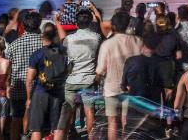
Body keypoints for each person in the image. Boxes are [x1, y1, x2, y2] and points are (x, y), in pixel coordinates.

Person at [97, 12, 144, 140]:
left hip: (112, 87)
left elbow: (100, 70)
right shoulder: (138, 41)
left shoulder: (107, 44)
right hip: (132, 87)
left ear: (113, 26)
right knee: (126, 121)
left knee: (112, 122)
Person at [59, 8, 102, 138]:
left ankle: (66, 135)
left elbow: (66, 59)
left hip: (72, 80)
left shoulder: (69, 39)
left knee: (68, 111)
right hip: (89, 80)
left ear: (76, 24)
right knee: (90, 112)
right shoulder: (96, 37)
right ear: (90, 23)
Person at [25, 22, 68, 140]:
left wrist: (29, 98)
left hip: (41, 92)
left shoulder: (37, 54)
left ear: (42, 36)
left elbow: (29, 80)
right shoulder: (63, 51)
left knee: (36, 128)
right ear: (55, 35)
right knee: (58, 127)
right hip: (58, 92)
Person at [4, 10, 43, 140]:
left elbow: (7, 67)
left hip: (18, 85)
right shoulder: (43, 43)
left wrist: (7, 85)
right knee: (38, 122)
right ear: (38, 25)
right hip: (39, 87)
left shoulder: (14, 44)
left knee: (16, 118)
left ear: (23, 25)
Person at [123, 31, 166, 106]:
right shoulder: (162, 63)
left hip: (135, 103)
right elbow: (165, 88)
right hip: (153, 105)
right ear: (157, 46)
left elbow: (124, 84)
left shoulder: (131, 61)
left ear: (143, 45)